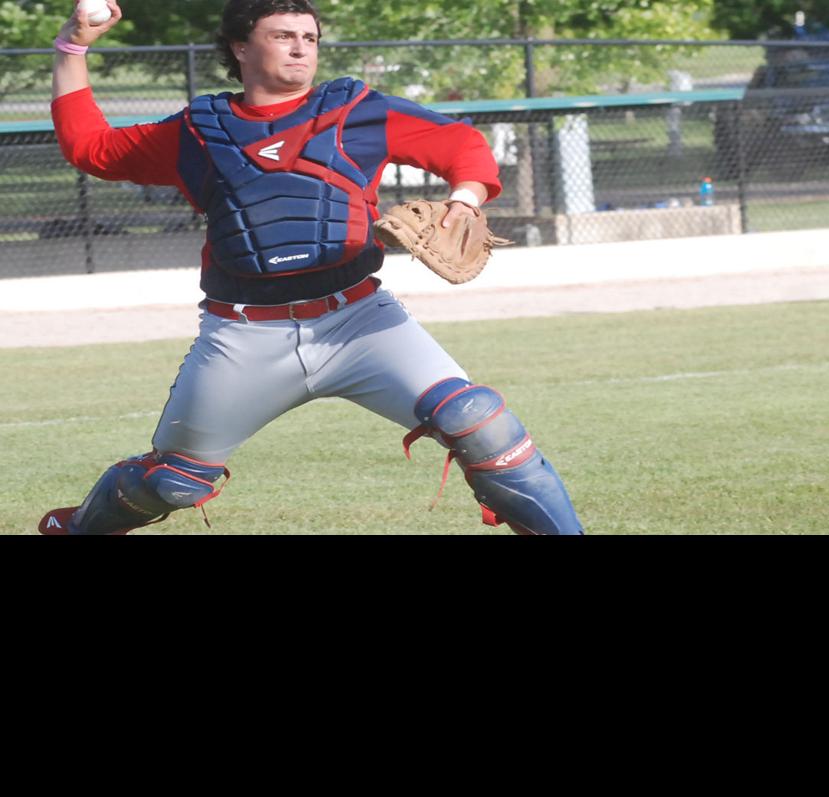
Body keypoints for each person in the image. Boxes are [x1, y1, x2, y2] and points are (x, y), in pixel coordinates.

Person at [38, 0, 584, 535]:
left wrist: (465, 198)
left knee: (477, 418)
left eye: (310, 38)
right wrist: (72, 47)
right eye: (283, 35)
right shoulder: (198, 131)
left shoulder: (355, 109)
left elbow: (460, 142)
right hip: (244, 334)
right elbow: (91, 148)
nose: (301, 48)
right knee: (175, 482)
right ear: (241, 47)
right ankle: (81, 526)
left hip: (360, 321)